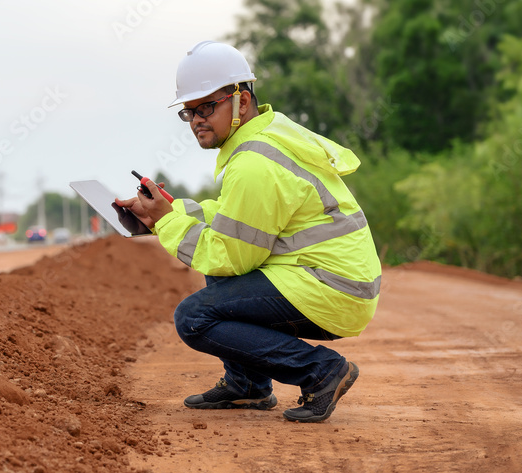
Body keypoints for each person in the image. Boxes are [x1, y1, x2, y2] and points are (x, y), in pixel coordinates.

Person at [115, 40, 381, 423]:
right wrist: (166, 212)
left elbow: (229, 256)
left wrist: (168, 223)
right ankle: (248, 386)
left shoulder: (254, 163)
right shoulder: (266, 137)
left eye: (207, 107)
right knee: (219, 269)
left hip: (332, 288)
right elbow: (233, 218)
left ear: (242, 100)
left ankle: (321, 371)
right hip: (334, 278)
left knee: (194, 318)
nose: (197, 121)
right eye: (189, 112)